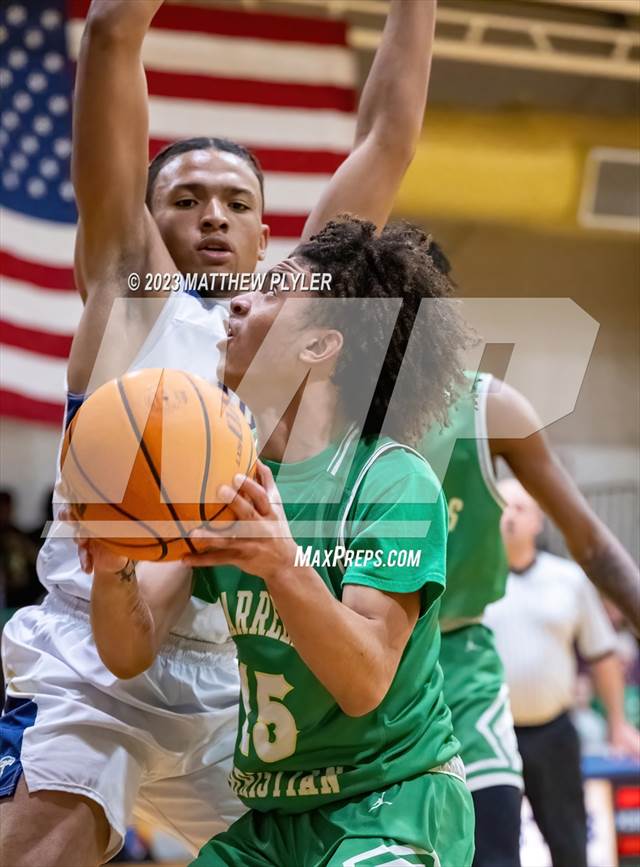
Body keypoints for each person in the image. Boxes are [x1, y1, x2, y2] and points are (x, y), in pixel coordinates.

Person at [0, 0, 439, 864]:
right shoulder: (134, 296)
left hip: (230, 679)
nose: (212, 215)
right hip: (96, 659)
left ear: (268, 236)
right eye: (186, 198)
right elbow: (112, 34)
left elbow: (387, 142)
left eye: (237, 203)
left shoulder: (278, 339)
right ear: (141, 217)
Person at [81, 216, 475, 867]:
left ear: (319, 345)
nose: (238, 300)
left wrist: (283, 565)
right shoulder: (219, 481)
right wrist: (115, 561)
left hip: (391, 803)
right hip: (272, 823)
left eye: (272, 289)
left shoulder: (392, 480)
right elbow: (130, 648)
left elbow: (365, 681)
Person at [416, 244, 640, 867]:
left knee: (501, 851)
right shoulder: (332, 416)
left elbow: (593, 543)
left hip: (463, 665)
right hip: (365, 667)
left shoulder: (489, 407)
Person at [484, 477, 640, 867]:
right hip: (489, 736)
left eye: (521, 507)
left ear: (538, 520)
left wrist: (618, 722)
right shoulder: (470, 582)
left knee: (569, 843)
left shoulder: (568, 579)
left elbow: (602, 653)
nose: (510, 515)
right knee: (491, 852)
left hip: (554, 733)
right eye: (502, 506)